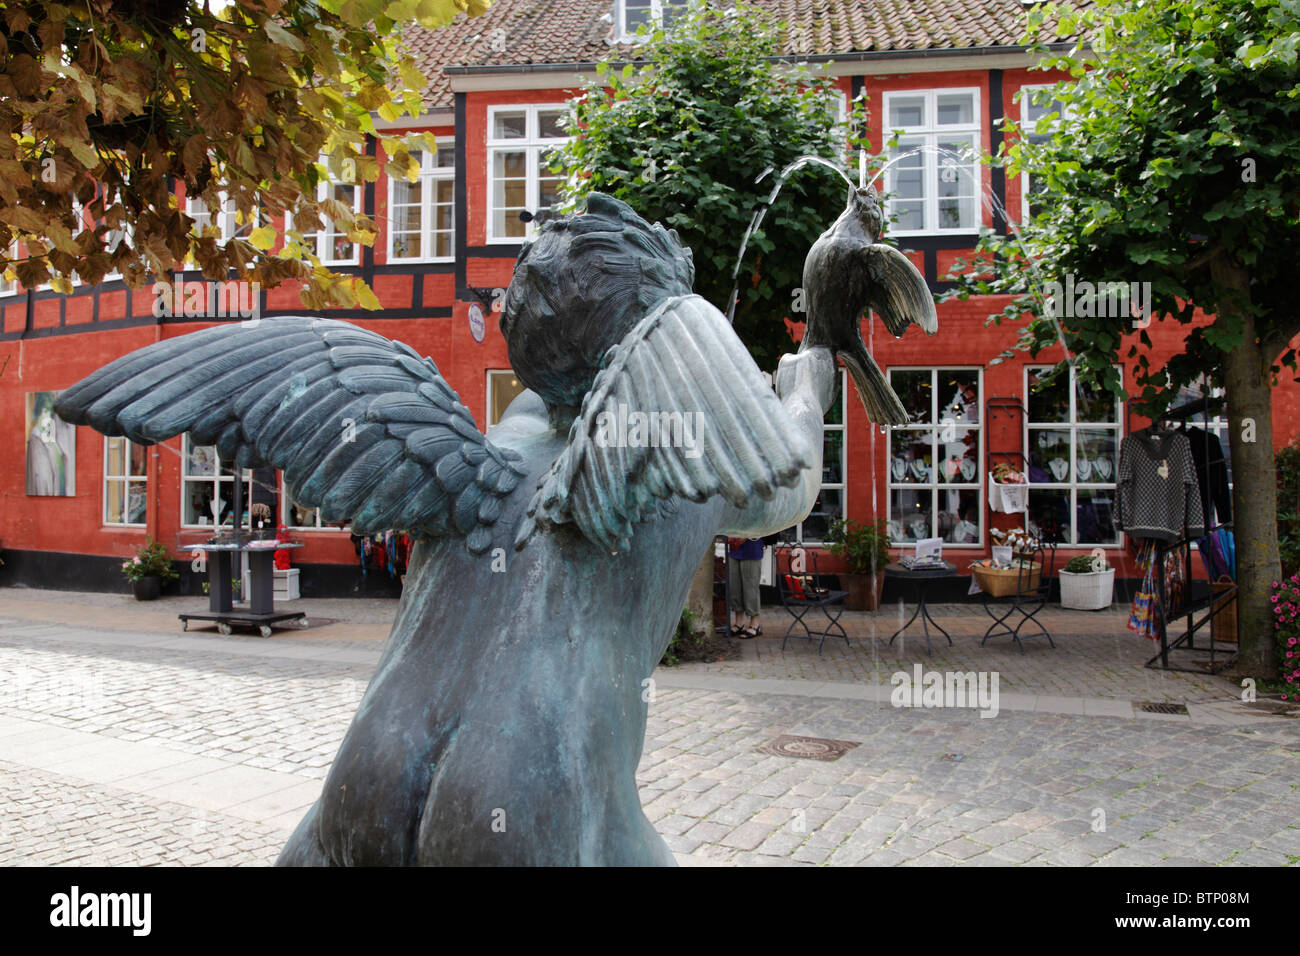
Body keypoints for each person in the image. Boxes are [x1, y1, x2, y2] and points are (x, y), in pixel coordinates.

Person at [728, 536, 765, 638]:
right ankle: (739, 623)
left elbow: (760, 525)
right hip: (734, 550)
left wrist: (744, 536)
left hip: (752, 550)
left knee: (750, 588)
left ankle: (755, 624)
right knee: (735, 587)